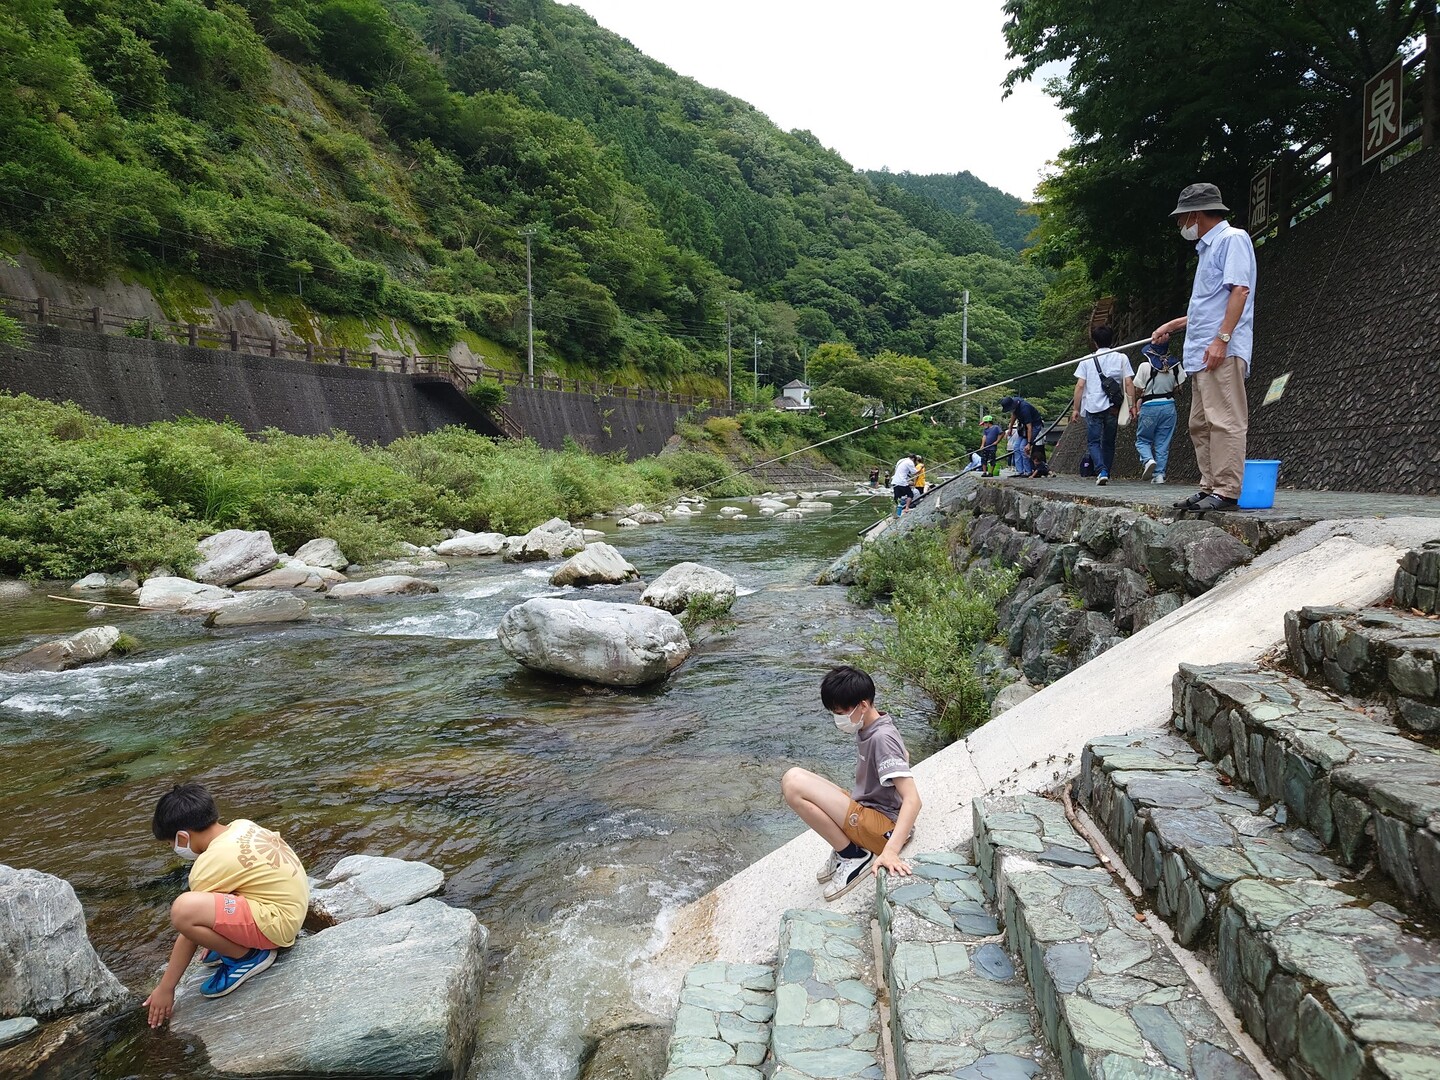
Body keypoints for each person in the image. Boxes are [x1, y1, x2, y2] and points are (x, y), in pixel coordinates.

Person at [144, 783, 308, 1027]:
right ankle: (240, 944)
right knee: (202, 906)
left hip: (278, 925)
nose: (174, 849)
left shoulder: (208, 864)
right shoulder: (242, 826)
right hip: (293, 909)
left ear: (182, 837)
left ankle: (247, 956)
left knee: (183, 909)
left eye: (171, 844)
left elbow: (188, 929)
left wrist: (166, 987)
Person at [1151, 183, 1257, 512]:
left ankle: (1226, 491)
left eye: (1182, 219)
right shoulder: (1207, 249)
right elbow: (1209, 305)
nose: (1182, 226)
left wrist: (1222, 339)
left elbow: (1240, 291)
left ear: (1195, 214)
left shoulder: (1232, 239)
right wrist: (1173, 324)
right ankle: (1209, 484)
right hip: (1202, 354)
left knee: (1225, 419)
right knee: (1201, 423)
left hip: (1220, 350)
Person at [781, 665, 922, 901]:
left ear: (863, 705)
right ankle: (847, 848)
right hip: (868, 810)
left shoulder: (881, 738)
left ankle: (854, 854)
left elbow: (913, 800)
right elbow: (904, 755)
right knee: (792, 777)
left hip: (884, 828)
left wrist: (890, 851)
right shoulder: (871, 727)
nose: (838, 718)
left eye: (841, 711)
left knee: (795, 785)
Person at [1070, 325, 1135, 486]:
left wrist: (1076, 409)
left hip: (1093, 407)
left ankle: (1101, 470)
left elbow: (1079, 386)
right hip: (1113, 407)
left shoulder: (1087, 360)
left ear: (1095, 342)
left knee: (1093, 442)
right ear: (1111, 339)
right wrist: (1132, 405)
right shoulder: (1121, 358)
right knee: (1109, 442)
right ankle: (1106, 471)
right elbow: (1128, 382)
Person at [1133, 340, 1188, 484]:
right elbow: (1178, 388)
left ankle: (1148, 460)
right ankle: (1159, 475)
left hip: (1150, 408)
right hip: (1169, 408)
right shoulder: (1175, 366)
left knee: (1143, 440)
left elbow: (1138, 389)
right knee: (1163, 442)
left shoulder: (1145, 366)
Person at [998, 396, 1043, 477]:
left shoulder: (1024, 409)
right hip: (1023, 427)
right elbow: (1014, 415)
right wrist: (1010, 427)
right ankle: (1020, 471)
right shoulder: (1015, 404)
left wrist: (1029, 443)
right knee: (1016, 447)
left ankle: (1028, 471)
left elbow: (1030, 427)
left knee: (1023, 448)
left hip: (1034, 426)